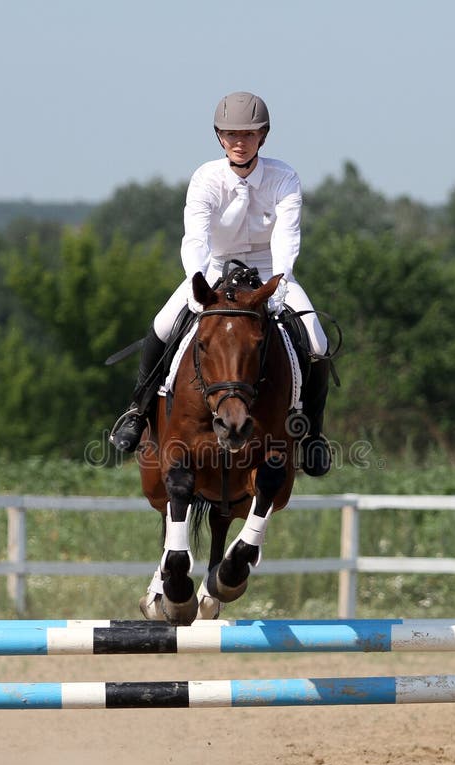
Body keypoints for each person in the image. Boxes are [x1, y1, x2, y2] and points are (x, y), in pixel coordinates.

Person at [110, 91, 331, 476]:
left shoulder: (284, 177)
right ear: (219, 137)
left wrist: (279, 283)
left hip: (268, 270)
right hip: (214, 269)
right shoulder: (206, 178)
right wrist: (198, 286)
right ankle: (138, 412)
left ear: (263, 136)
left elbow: (286, 236)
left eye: (248, 134)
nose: (239, 142)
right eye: (230, 134)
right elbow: (195, 237)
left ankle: (312, 435)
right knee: (164, 325)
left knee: (316, 339)